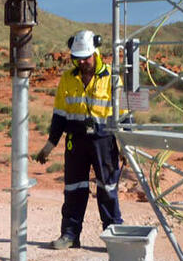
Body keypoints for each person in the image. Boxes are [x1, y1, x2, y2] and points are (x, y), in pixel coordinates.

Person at [34, 29, 123, 249]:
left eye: (86, 57)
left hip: (105, 140)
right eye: (78, 58)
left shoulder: (113, 77)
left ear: (96, 51)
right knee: (74, 188)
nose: (83, 62)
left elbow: (124, 116)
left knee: (108, 189)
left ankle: (114, 237)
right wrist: (50, 144)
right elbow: (60, 114)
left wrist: (125, 147)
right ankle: (70, 235)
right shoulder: (67, 78)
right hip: (76, 140)